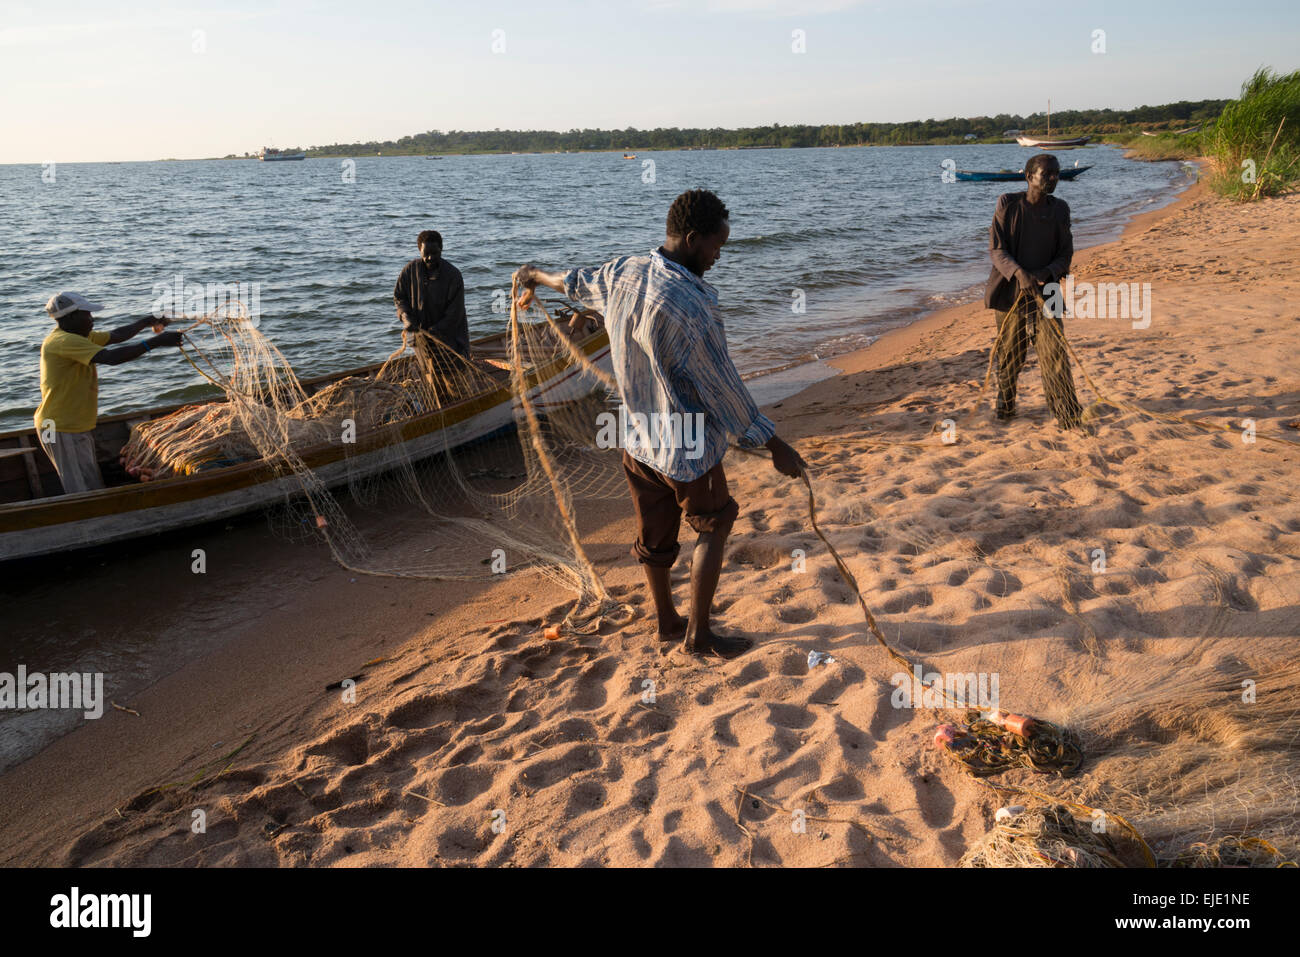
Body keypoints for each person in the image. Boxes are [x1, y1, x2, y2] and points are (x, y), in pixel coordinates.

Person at [515, 189, 807, 659]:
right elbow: (724, 389)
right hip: (686, 449)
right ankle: (699, 636)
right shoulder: (693, 308)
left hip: (636, 441)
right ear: (692, 239)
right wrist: (774, 444)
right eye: (716, 246)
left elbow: (573, 281)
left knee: (655, 537)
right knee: (713, 525)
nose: (718, 257)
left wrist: (533, 274)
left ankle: (668, 621)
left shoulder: (623, 272)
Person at [35, 292, 183, 494]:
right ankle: (88, 521)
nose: (91, 319)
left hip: (70, 424)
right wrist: (155, 343)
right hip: (58, 426)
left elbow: (118, 335)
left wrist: (149, 320)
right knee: (79, 487)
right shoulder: (63, 342)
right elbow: (112, 357)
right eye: (87, 314)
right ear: (70, 318)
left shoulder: (79, 336)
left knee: (89, 479)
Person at [985, 153, 1084, 429]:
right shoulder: (1008, 203)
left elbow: (1066, 253)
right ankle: (1005, 408)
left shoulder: (1060, 208)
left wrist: (1043, 274)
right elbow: (997, 249)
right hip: (1010, 291)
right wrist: (1019, 273)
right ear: (1029, 176)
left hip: (1047, 290)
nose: (1053, 178)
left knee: (1054, 353)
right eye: (1046, 174)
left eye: (1056, 173)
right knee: (1009, 355)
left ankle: (1066, 413)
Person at [393, 230, 469, 391]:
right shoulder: (409, 270)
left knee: (453, 382)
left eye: (434, 253)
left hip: (449, 341)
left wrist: (434, 332)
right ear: (419, 251)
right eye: (425, 254)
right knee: (431, 379)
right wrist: (405, 317)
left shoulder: (453, 276)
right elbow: (400, 297)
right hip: (420, 341)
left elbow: (455, 313)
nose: (430, 258)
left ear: (441, 249)